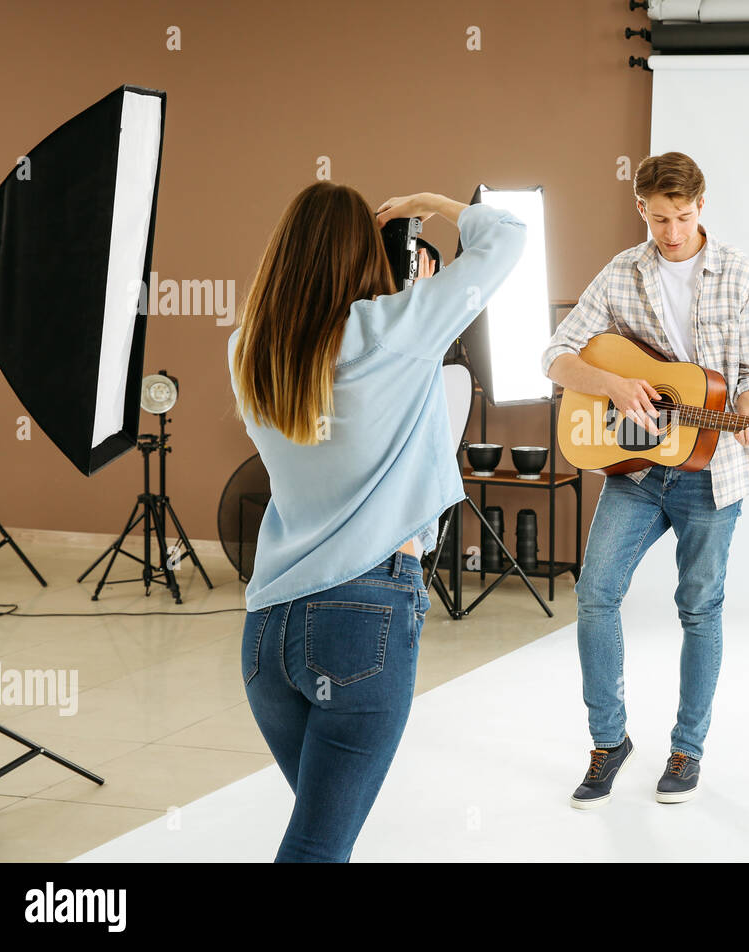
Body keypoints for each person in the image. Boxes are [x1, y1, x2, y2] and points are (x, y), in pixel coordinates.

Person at [228, 183, 526, 860]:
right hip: (363, 619)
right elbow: (506, 234)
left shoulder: (249, 349)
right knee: (318, 846)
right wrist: (436, 204)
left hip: (267, 631)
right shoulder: (401, 326)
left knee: (322, 834)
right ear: (368, 254)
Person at [541, 152, 749, 808]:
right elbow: (555, 356)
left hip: (712, 475)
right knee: (595, 596)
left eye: (682, 217)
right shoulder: (622, 273)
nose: (671, 231)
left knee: (699, 609)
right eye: (658, 218)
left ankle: (686, 749)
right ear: (639, 208)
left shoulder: (741, 275)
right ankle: (608, 741)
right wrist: (614, 382)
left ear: (702, 207)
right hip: (638, 470)